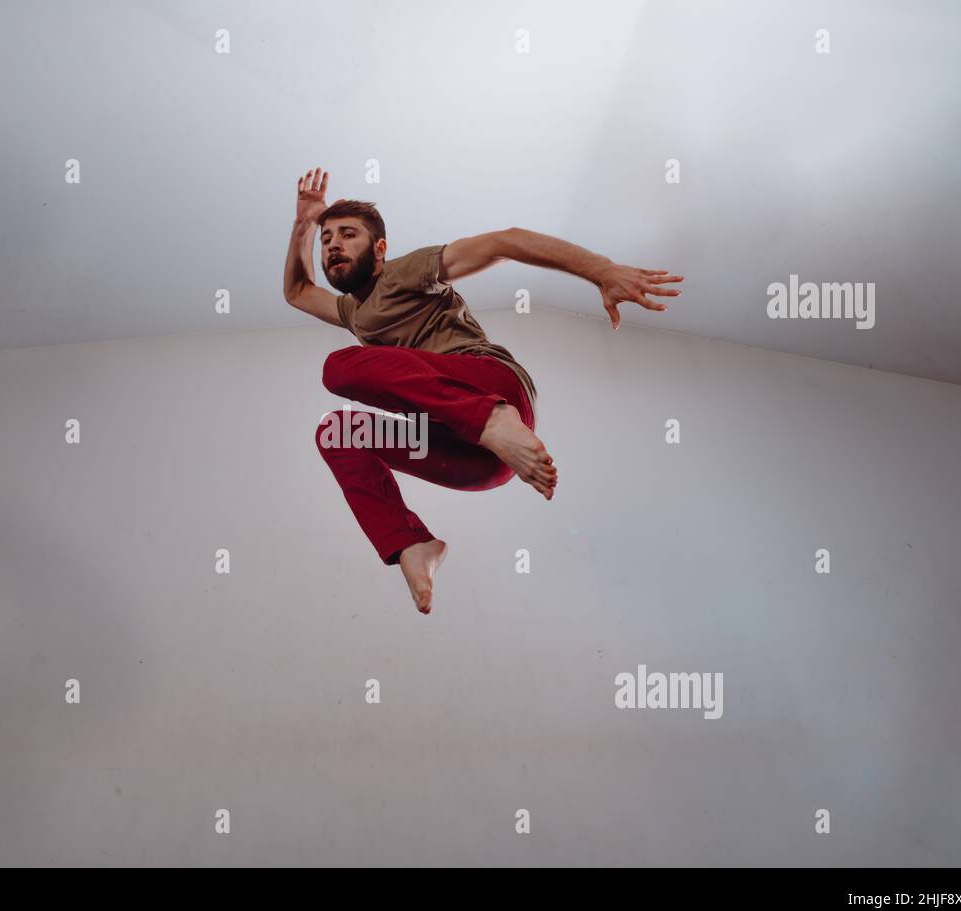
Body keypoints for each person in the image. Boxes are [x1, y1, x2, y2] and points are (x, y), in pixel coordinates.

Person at [285, 167, 682, 613]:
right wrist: (304, 223)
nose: (333, 244)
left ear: (379, 249)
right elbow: (299, 291)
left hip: (495, 390)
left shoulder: (405, 272)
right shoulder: (351, 311)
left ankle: (489, 419)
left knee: (339, 366)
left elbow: (504, 241)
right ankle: (412, 544)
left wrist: (602, 271)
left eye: (347, 235)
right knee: (337, 431)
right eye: (326, 239)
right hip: (480, 460)